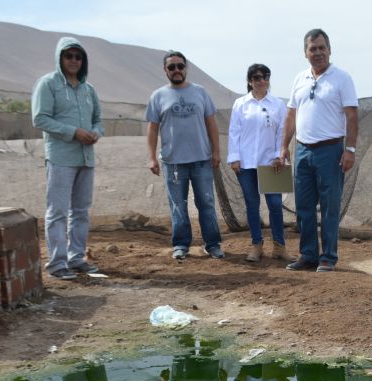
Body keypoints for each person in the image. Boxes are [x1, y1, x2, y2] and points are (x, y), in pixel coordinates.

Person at [280, 29, 358, 273]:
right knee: (303, 207)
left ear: (330, 50)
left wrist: (350, 149)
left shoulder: (342, 78)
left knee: (329, 206)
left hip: (330, 151)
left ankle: (328, 258)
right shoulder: (299, 79)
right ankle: (308, 255)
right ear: (305, 53)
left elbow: (352, 115)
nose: (317, 53)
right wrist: (283, 146)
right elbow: (291, 114)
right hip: (303, 150)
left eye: (322, 47)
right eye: (312, 48)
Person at [31, 37, 103, 280]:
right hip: (61, 157)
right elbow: (40, 118)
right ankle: (57, 263)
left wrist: (96, 133)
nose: (73, 60)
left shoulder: (88, 89)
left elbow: (98, 120)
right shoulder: (48, 84)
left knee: (81, 211)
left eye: (78, 56)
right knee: (58, 211)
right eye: (68, 56)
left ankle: (77, 258)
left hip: (86, 157)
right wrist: (74, 132)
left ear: (83, 61)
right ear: (60, 58)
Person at [146, 51, 225, 261]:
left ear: (186, 68)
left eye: (180, 66)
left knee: (206, 203)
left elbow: (211, 123)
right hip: (172, 162)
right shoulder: (158, 96)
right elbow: (153, 128)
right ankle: (181, 244)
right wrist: (152, 157)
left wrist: (216, 151)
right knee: (177, 205)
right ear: (165, 70)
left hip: (201, 159)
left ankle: (213, 244)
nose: (177, 70)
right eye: (171, 67)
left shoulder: (200, 92)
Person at [228, 64, 293, 263]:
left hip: (271, 163)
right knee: (252, 204)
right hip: (246, 163)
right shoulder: (241, 104)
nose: (261, 81)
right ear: (249, 81)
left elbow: (282, 131)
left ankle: (280, 247)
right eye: (256, 77)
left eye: (265, 76)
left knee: (274, 204)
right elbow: (234, 131)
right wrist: (234, 157)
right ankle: (257, 245)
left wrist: (278, 154)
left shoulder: (277, 104)